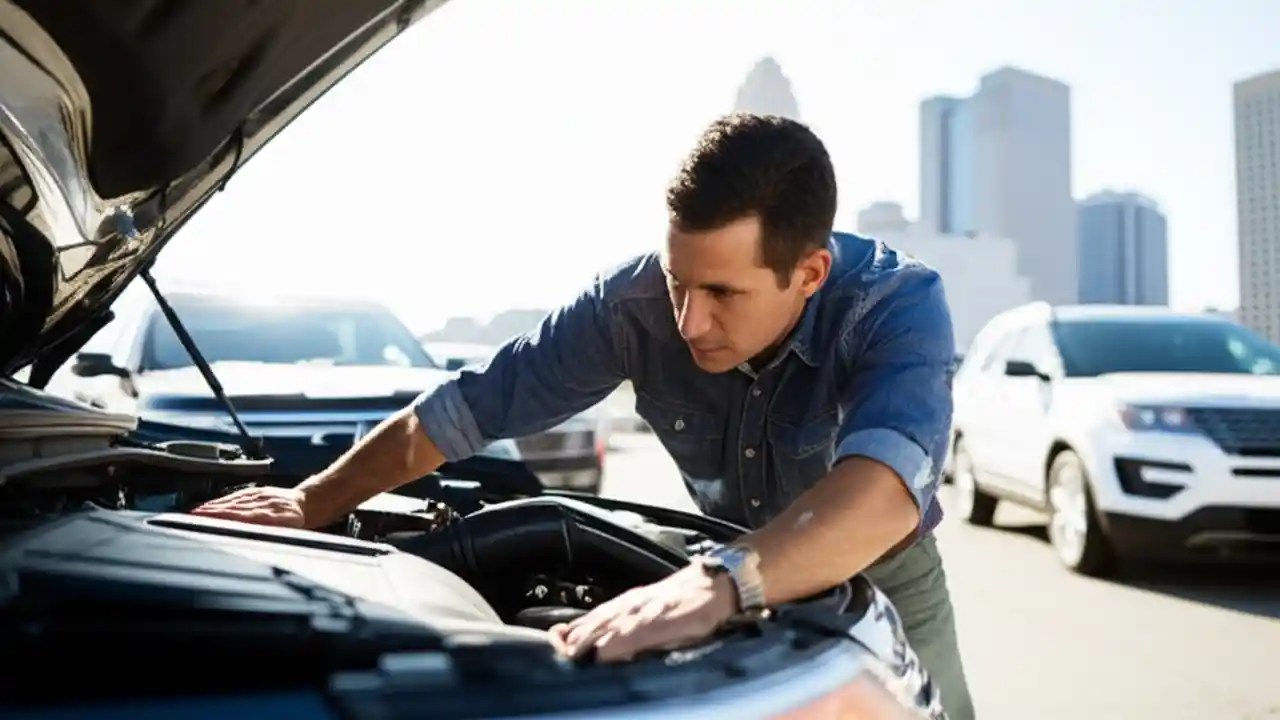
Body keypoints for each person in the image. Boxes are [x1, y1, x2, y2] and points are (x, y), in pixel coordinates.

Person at [191, 112, 975, 719]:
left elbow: (881, 493)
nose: (688, 322)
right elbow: (462, 411)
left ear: (809, 273)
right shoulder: (628, 308)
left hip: (883, 581)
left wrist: (722, 583)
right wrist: (310, 501)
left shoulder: (894, 306)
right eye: (678, 282)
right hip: (720, 560)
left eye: (724, 295)